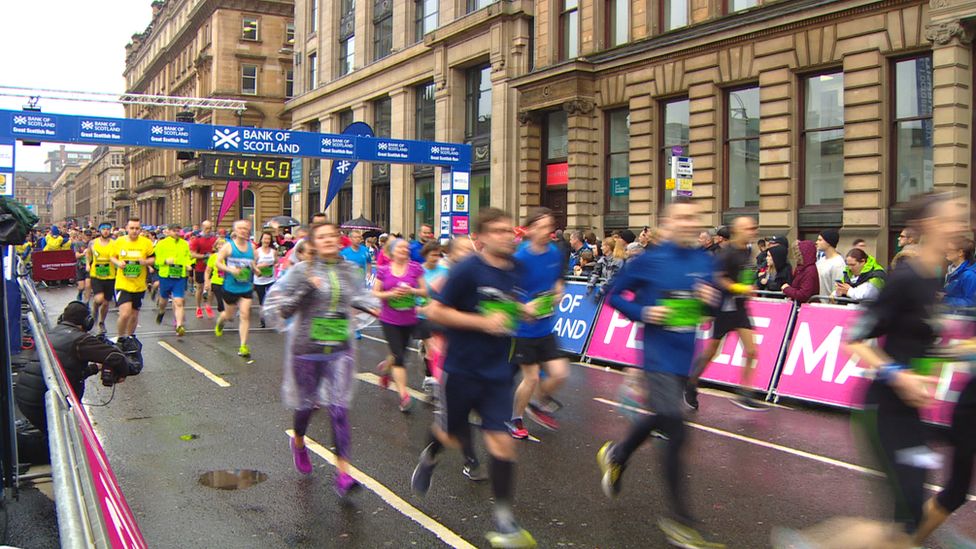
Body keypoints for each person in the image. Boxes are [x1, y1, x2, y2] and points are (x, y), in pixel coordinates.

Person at [595, 198, 724, 548]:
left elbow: (711, 307)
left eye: (693, 218)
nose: (688, 223)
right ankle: (680, 521)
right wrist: (645, 313)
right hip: (656, 357)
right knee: (675, 428)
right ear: (666, 223)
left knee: (663, 417)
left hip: (685, 357)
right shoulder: (649, 260)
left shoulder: (702, 260)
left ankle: (618, 453)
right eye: (681, 217)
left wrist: (710, 298)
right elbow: (613, 295)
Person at [410, 208, 536, 548]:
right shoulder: (467, 270)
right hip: (462, 370)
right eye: (497, 231)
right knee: (450, 435)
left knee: (502, 442)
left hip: (498, 372)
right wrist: (483, 323)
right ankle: (431, 456)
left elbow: (505, 307)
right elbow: (434, 311)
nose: (506, 236)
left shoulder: (517, 270)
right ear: (480, 238)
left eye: (509, 230)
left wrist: (522, 310)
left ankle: (504, 520)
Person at [846, 192, 968, 537]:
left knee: (910, 517)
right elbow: (854, 339)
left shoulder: (934, 277)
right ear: (931, 225)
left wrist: (961, 351)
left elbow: (925, 346)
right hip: (882, 411)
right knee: (906, 519)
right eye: (953, 218)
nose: (961, 225)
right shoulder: (905, 279)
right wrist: (899, 376)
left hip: (912, 415)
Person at [262, 220, 372, 497]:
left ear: (339, 240)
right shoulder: (301, 272)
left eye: (332, 235)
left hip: (339, 349)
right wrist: (308, 288)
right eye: (321, 237)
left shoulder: (349, 270)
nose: (328, 240)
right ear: (312, 243)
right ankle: (298, 440)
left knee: (338, 409)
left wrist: (374, 308)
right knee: (306, 406)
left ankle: (344, 474)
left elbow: (360, 299)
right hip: (307, 349)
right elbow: (280, 310)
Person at [14, 302, 139, 433]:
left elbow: (66, 371)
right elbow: (116, 357)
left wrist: (95, 368)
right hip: (42, 403)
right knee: (68, 437)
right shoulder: (80, 339)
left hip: (27, 396)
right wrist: (123, 373)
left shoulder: (52, 332)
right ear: (87, 322)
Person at [686, 216, 765, 412]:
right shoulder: (726, 253)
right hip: (724, 308)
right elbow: (718, 278)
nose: (753, 231)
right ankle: (691, 383)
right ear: (738, 230)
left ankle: (746, 393)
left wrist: (749, 286)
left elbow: (744, 275)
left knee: (752, 351)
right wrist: (739, 287)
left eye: (754, 227)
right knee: (711, 352)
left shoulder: (748, 250)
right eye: (749, 228)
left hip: (740, 308)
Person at [508, 207, 569, 440]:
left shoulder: (554, 252)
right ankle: (516, 418)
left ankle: (537, 402)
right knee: (531, 378)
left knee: (560, 373)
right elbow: (507, 291)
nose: (548, 231)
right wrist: (524, 307)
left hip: (545, 326)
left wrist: (558, 292)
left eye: (550, 226)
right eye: (542, 227)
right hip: (524, 329)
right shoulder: (519, 257)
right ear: (530, 229)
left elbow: (557, 281)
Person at [372, 237, 425, 412]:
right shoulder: (384, 270)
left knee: (399, 353)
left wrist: (413, 291)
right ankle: (404, 396)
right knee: (399, 356)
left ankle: (386, 368)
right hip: (389, 319)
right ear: (392, 251)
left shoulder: (416, 269)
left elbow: (425, 291)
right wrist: (391, 294)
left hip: (409, 319)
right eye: (400, 248)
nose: (404, 250)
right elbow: (375, 293)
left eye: (406, 248)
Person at [215, 220, 257, 358]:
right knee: (229, 315)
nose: (244, 231)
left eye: (246, 228)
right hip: (230, 287)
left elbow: (252, 264)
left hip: (246, 287)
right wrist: (230, 269)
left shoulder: (252, 248)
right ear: (235, 231)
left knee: (245, 314)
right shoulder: (229, 246)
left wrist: (256, 270)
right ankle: (221, 322)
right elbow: (217, 263)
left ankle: (243, 346)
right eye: (241, 228)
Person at [110, 218, 155, 338]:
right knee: (125, 314)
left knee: (134, 315)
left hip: (139, 285)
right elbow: (112, 257)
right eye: (132, 228)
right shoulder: (119, 242)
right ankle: (120, 337)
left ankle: (130, 337)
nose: (134, 231)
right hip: (123, 284)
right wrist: (118, 263)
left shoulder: (146, 242)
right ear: (126, 229)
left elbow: (153, 259)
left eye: (137, 228)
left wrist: (144, 262)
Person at [154, 224, 193, 336]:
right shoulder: (161, 244)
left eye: (178, 231)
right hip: (166, 276)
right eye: (174, 231)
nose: (176, 233)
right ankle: (161, 311)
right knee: (163, 301)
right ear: (169, 231)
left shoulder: (184, 244)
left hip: (179, 277)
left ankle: (179, 326)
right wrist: (166, 261)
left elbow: (187, 257)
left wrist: (188, 265)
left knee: (179, 301)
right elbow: (157, 261)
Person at [87, 223, 116, 334]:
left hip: (110, 275)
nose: (106, 231)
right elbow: (88, 253)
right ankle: (94, 308)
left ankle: (101, 322)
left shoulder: (114, 243)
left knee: (105, 303)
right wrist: (88, 265)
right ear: (100, 231)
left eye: (108, 229)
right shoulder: (93, 243)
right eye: (103, 229)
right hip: (96, 274)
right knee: (99, 299)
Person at [190, 220, 217, 319]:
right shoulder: (197, 240)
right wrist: (204, 256)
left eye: (210, 228)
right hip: (200, 267)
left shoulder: (214, 239)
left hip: (212, 267)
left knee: (212, 288)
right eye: (206, 228)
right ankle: (198, 307)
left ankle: (208, 306)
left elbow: (218, 250)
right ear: (202, 228)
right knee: (200, 288)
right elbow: (192, 254)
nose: (208, 230)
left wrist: (213, 255)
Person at [942, 237, 976, 309]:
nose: (946, 252)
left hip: (961, 317)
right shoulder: (952, 269)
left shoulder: (969, 275)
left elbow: (971, 302)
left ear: (960, 253)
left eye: (949, 249)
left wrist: (944, 299)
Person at [253, 231, 278, 328]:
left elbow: (276, 262)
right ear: (261, 239)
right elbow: (253, 265)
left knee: (272, 299)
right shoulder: (257, 251)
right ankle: (262, 320)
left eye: (268, 239)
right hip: (259, 280)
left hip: (270, 278)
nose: (266, 241)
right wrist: (260, 266)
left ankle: (273, 318)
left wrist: (275, 265)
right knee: (262, 301)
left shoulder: (273, 251)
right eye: (265, 238)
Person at [816, 229, 845, 298]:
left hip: (827, 305)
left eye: (820, 240)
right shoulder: (821, 261)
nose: (817, 242)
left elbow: (837, 290)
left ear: (828, 242)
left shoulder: (838, 263)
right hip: (817, 304)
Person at [204, 239, 227, 317]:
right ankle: (221, 321)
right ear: (216, 246)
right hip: (216, 281)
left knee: (227, 302)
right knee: (221, 302)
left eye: (223, 244)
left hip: (227, 282)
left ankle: (224, 315)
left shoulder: (229, 257)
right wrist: (207, 282)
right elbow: (207, 271)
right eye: (219, 244)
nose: (221, 246)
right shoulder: (213, 257)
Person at [71, 230, 90, 302]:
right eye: (87, 235)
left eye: (89, 236)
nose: (88, 237)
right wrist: (84, 253)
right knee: (81, 287)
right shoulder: (78, 244)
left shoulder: (92, 243)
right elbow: (77, 256)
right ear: (83, 235)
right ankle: (80, 293)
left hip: (89, 267)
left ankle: (86, 302)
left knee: (88, 285)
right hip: (81, 266)